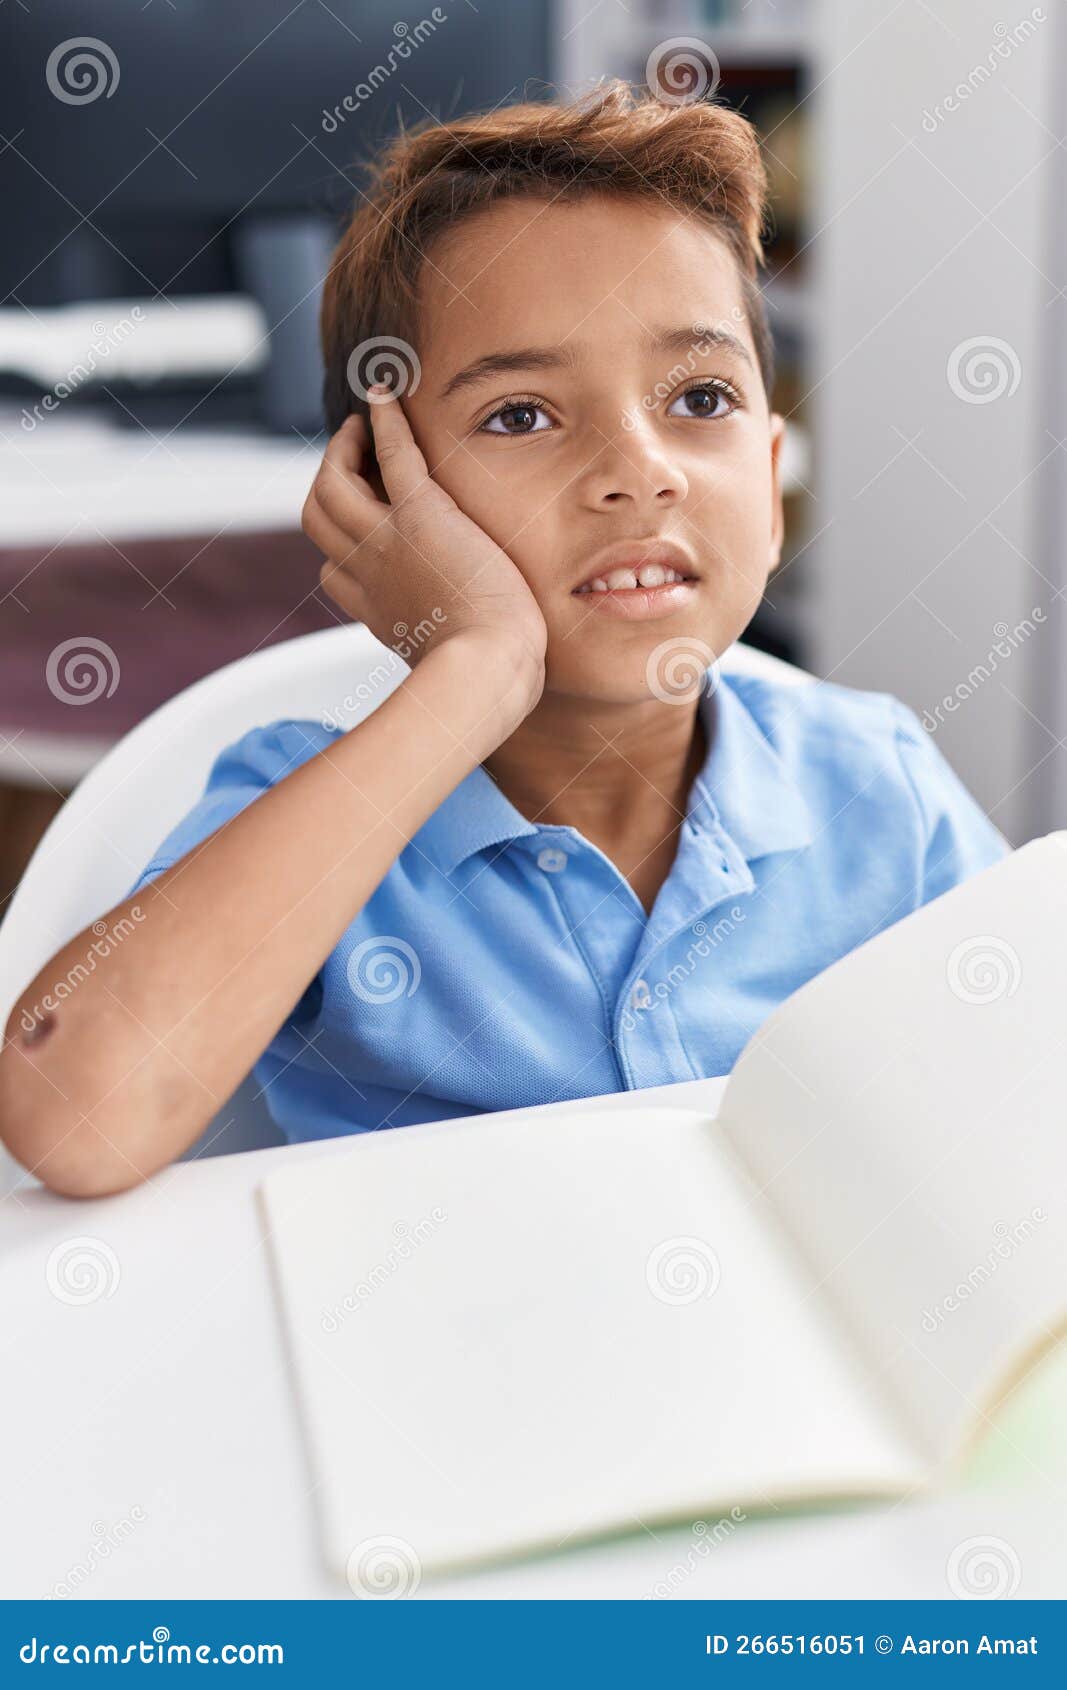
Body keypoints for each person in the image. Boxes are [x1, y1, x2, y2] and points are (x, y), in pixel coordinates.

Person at [0, 81, 1006, 1196]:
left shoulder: (880, 785)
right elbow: (75, 1117)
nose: (638, 468)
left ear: (769, 488)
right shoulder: (311, 804)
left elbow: (1021, 1096)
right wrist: (470, 666)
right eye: (520, 414)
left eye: (701, 397)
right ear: (387, 500)